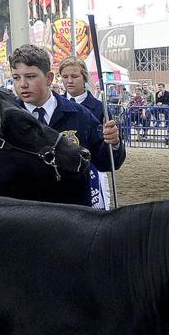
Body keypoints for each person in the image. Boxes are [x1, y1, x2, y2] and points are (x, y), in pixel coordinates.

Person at [9, 44, 124, 210]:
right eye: (16, 78)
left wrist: (114, 143)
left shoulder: (80, 115)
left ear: (49, 78)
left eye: (31, 76)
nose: (23, 84)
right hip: (25, 215)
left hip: (74, 215)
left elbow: (107, 162)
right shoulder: (7, 118)